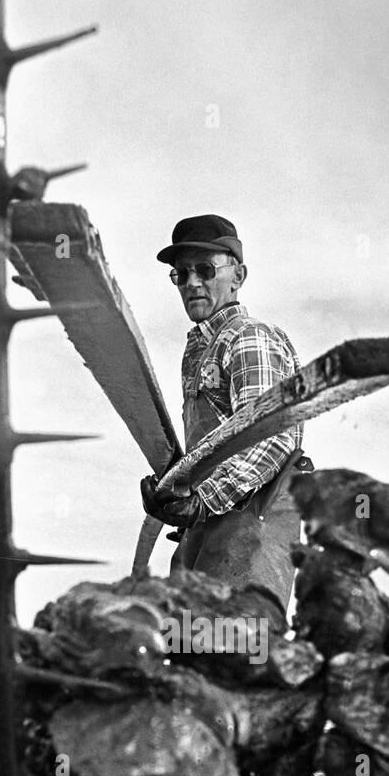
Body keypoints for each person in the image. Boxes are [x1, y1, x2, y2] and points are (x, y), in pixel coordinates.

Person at [140, 214, 312, 612]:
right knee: (186, 654)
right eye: (180, 274)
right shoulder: (198, 352)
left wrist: (200, 501)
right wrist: (173, 496)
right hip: (209, 537)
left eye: (204, 269)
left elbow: (270, 437)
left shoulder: (249, 337)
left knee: (237, 657)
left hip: (250, 534)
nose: (192, 282)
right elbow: (210, 452)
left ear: (238, 275)